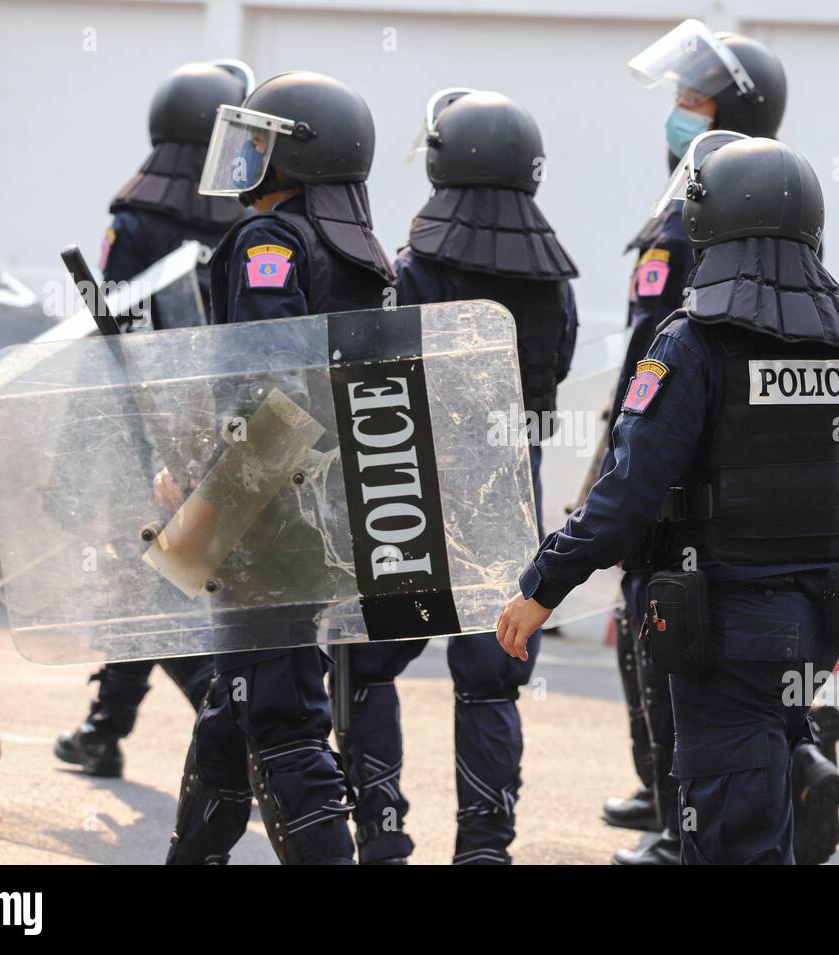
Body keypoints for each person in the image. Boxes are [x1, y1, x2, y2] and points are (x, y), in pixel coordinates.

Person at [497, 138, 839, 864]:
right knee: (764, 798)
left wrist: (543, 582)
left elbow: (625, 498)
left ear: (705, 223)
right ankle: (800, 775)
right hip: (814, 629)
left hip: (723, 632)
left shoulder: (689, 344)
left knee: (727, 839)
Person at [603, 20, 839, 866]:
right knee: (754, 665)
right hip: (757, 491)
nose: (675, 114)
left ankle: (683, 825)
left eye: (690, 101)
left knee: (673, 642)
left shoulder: (698, 216)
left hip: (678, 464)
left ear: (733, 109)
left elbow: (652, 363)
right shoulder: (773, 205)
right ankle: (797, 764)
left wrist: (616, 482)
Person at [344, 89, 579, 865]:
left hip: (408, 505)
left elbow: (375, 383)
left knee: (366, 666)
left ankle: (379, 825)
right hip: (507, 512)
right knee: (490, 681)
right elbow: (558, 373)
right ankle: (484, 846)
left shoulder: (410, 269)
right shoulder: (554, 287)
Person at [165, 70, 394, 864]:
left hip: (268, 520)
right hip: (330, 517)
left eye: (260, 140)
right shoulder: (363, 258)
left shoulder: (272, 240)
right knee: (235, 702)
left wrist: (205, 506)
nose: (246, 154)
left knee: (281, 717)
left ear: (297, 155)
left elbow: (270, 395)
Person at [55, 60, 250, 779]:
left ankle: (229, 721)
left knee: (148, 578)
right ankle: (106, 726)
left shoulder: (136, 217)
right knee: (163, 573)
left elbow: (112, 324)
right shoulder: (248, 218)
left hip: (142, 427)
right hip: (219, 427)